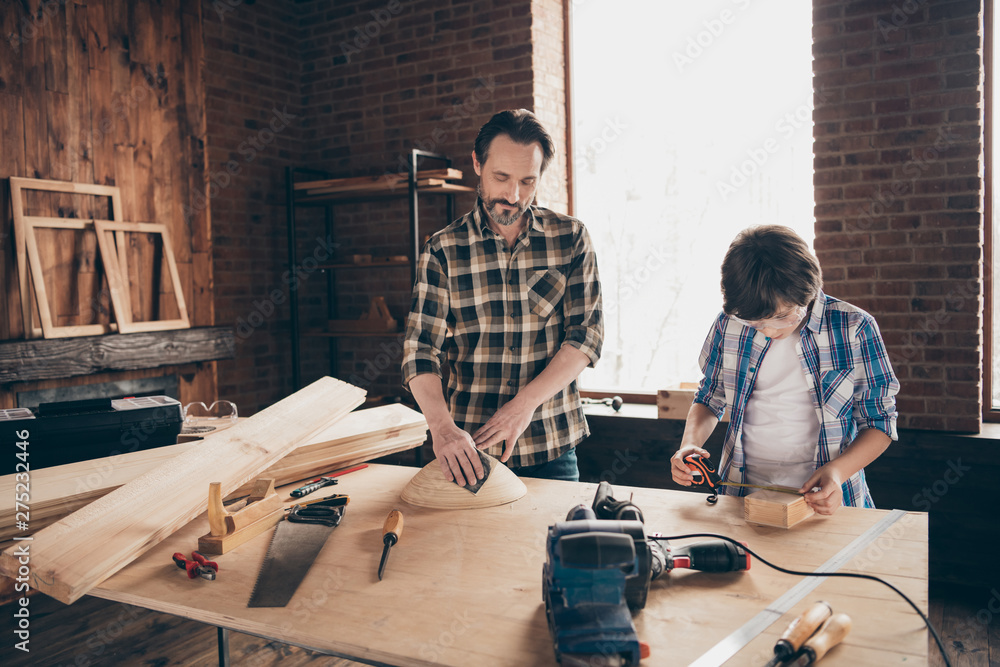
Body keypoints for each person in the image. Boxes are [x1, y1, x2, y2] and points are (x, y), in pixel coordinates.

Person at [402, 109, 603, 487]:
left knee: (553, 548)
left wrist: (523, 405)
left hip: (553, 448)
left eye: (527, 181)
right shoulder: (442, 250)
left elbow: (586, 337)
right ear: (477, 164)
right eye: (501, 178)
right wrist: (442, 428)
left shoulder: (570, 238)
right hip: (471, 456)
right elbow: (420, 351)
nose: (513, 196)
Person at [670, 225, 899, 515]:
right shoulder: (729, 324)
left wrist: (837, 472)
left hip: (825, 501)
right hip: (741, 497)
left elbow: (880, 423)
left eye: (780, 317)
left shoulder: (854, 327)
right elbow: (709, 397)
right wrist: (689, 445)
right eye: (754, 322)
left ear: (808, 291)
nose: (767, 330)